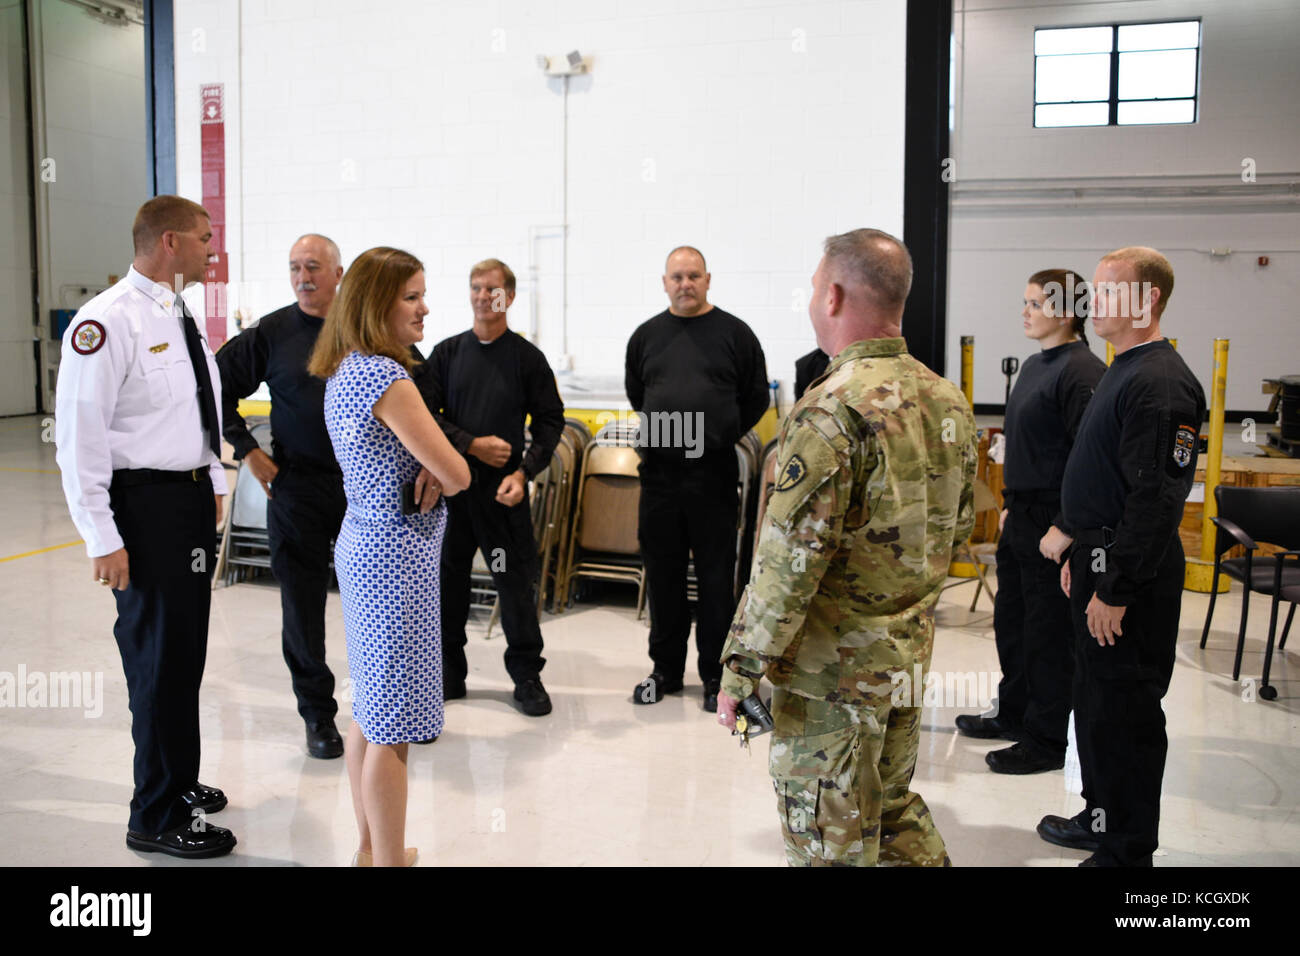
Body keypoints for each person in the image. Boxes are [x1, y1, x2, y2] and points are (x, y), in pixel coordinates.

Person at [716, 228, 976, 867]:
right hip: (906, 658)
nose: (811, 298)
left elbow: (787, 565)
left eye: (812, 285)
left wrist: (741, 667)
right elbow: (959, 531)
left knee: (828, 844)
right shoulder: (948, 400)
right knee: (888, 814)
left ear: (832, 295)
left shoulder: (832, 410)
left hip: (832, 681)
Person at [54, 195, 235, 859]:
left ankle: (176, 781)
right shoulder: (106, 322)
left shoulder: (177, 311)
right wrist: (100, 534)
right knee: (157, 662)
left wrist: (212, 482)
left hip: (184, 504)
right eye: (203, 238)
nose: (211, 248)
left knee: (183, 655)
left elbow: (196, 410)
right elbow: (78, 437)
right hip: (145, 511)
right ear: (167, 243)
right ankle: (155, 815)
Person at [1036, 247, 1205, 867]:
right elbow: (1104, 477)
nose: (1091, 304)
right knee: (1097, 705)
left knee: (1126, 712)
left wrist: (1116, 587)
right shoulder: (1124, 368)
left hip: (1128, 576)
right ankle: (1100, 817)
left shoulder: (1161, 383)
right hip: (1097, 561)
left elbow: (1157, 499)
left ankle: (1128, 851)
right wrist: (1078, 555)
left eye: (1107, 292)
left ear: (1148, 301)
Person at [308, 246, 470, 867]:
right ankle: (391, 857)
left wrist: (426, 467)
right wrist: (436, 468)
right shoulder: (386, 378)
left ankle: (371, 848)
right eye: (411, 297)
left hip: (366, 545)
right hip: (395, 558)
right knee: (393, 728)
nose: (425, 308)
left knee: (370, 715)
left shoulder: (346, 371)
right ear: (378, 305)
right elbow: (455, 473)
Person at [955, 269, 1105, 774]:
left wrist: (1064, 525)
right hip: (1021, 514)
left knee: (1046, 634)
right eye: (1025, 302)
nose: (1025, 311)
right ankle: (1013, 713)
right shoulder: (1038, 365)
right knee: (1012, 624)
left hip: (1052, 522)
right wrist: (1010, 508)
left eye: (1035, 304)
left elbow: (1091, 459)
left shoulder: (1082, 371)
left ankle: (1044, 740)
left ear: (1065, 312)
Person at [412, 259, 564, 717]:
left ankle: (526, 677)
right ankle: (449, 674)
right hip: (452, 494)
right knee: (448, 586)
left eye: (493, 289)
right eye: (476, 287)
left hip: (504, 496)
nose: (483, 296)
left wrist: (524, 472)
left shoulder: (526, 359)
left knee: (515, 587)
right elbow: (425, 417)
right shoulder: (446, 354)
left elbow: (551, 420)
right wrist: (471, 445)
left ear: (510, 297)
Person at [216, 234, 348, 758]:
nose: (302, 277)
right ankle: (318, 716)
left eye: (313, 266)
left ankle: (391, 709)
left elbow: (423, 393)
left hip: (365, 489)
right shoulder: (272, 333)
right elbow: (213, 383)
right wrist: (246, 448)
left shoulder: (366, 328)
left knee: (379, 601)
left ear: (339, 272)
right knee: (302, 606)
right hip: (299, 488)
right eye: (294, 267)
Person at [625, 246, 769, 711]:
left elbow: (754, 399)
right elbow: (637, 393)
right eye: (676, 276)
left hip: (712, 475)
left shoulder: (735, 334)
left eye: (693, 276)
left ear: (708, 280)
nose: (685, 284)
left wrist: (716, 434)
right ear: (663, 282)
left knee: (713, 580)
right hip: (661, 477)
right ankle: (663, 670)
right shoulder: (645, 336)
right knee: (663, 577)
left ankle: (715, 676)